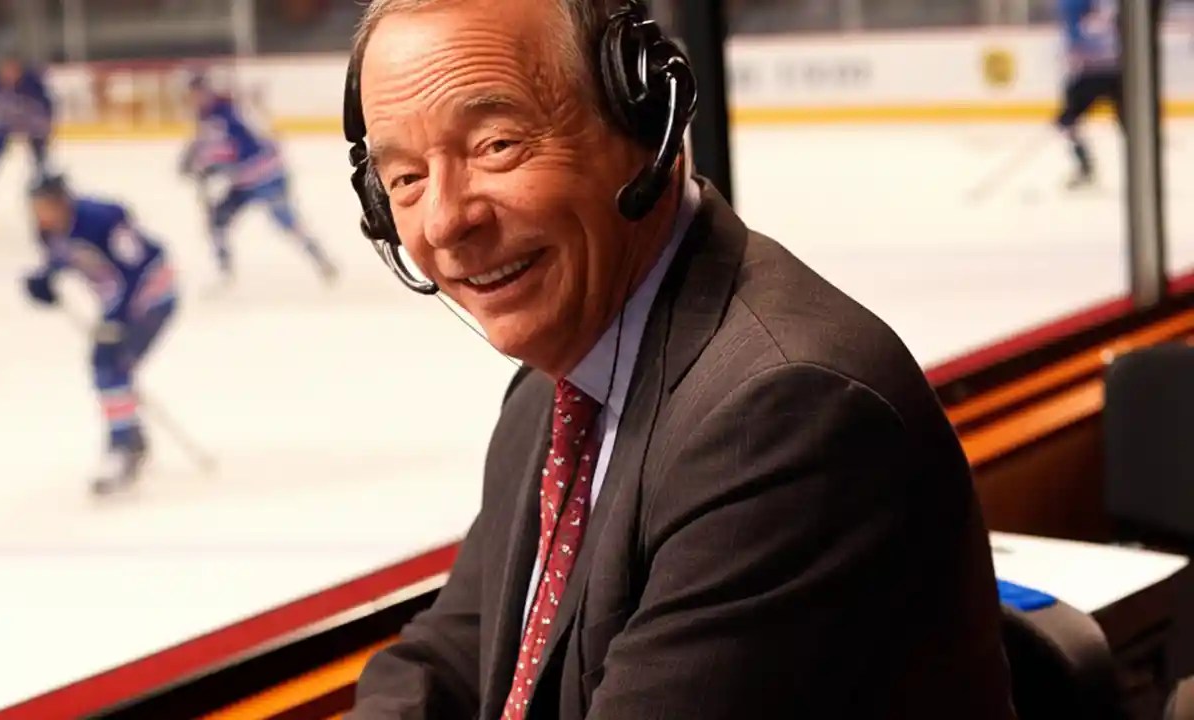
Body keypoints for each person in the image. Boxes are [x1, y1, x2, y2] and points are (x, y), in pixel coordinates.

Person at [344, 1, 1015, 718]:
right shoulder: (551, 393)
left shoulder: (787, 416)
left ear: (646, 122)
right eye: (406, 179)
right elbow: (443, 659)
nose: (445, 221)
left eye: (497, 145)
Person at [22, 175, 178, 495]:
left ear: (62, 201)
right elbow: (62, 258)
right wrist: (45, 279)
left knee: (112, 364)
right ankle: (128, 439)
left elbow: (137, 268)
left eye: (45, 207)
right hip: (117, 301)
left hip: (152, 295)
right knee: (105, 364)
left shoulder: (103, 218)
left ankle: (124, 446)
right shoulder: (47, 229)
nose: (40, 215)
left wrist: (119, 321)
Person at [179, 72, 338, 284]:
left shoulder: (225, 113)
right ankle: (225, 274)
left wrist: (210, 167)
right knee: (216, 222)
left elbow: (234, 150)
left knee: (286, 221)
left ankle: (321, 261)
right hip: (244, 181)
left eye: (195, 93)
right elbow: (204, 146)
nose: (193, 99)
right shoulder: (208, 115)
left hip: (267, 177)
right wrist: (194, 160)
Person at [0, 53, 55, 222]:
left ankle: (47, 203)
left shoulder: (33, 83)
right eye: (5, 70)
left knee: (42, 166)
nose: (9, 75)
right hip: (4, 124)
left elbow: (48, 106)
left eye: (14, 71)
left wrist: (44, 128)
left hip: (32, 125)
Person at [1055, 0, 1122, 189]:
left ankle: (1085, 167)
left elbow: (1075, 37)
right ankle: (1084, 166)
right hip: (1110, 71)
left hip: (1096, 72)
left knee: (1067, 122)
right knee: (1066, 122)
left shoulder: (1072, 5)